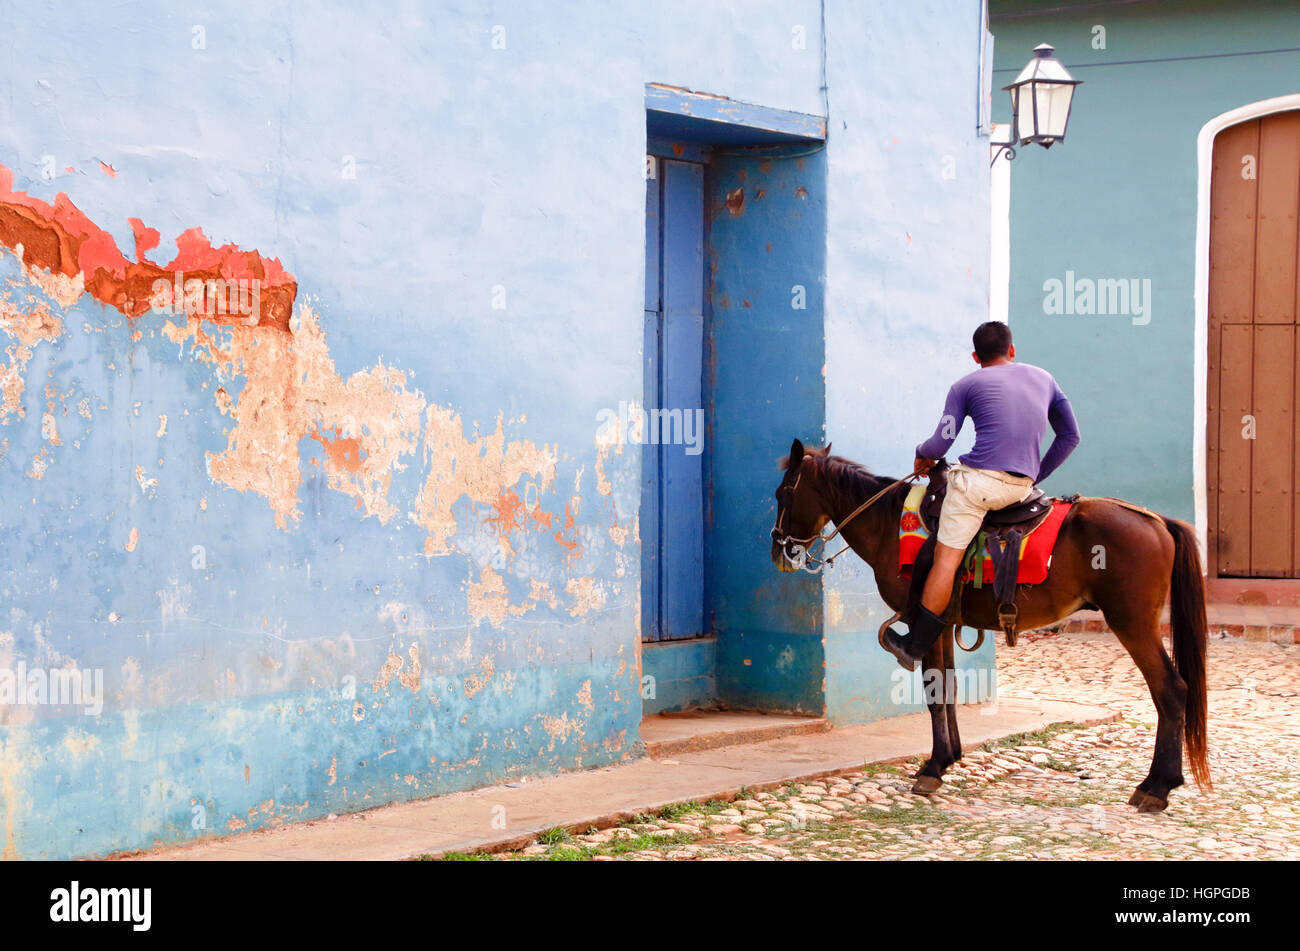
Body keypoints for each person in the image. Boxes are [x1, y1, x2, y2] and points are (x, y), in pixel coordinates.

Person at [881, 321, 1080, 671]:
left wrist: (921, 453)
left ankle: (914, 645)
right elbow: (1069, 436)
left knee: (945, 560)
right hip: (1022, 489)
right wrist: (1035, 474)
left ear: (975, 356)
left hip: (978, 486)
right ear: (1012, 350)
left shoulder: (965, 385)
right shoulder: (1044, 378)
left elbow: (940, 443)